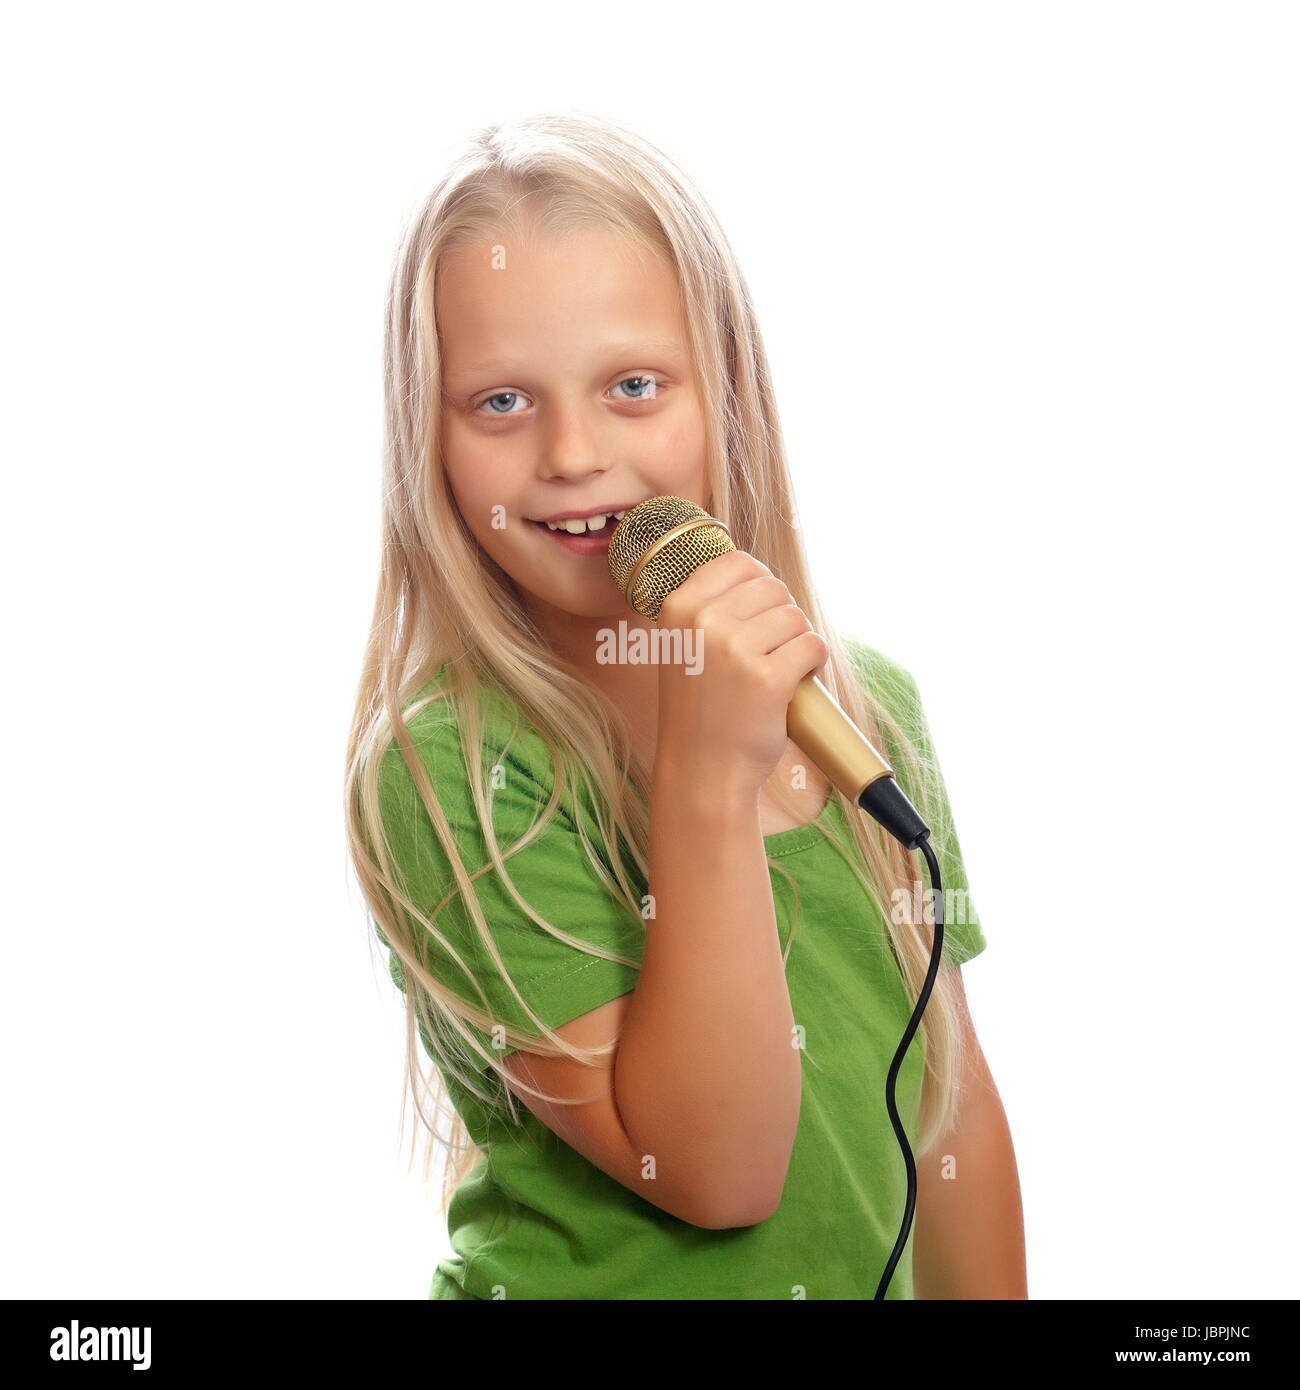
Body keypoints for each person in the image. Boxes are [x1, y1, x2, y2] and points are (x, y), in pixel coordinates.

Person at [344, 111, 1026, 1300]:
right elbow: (715, 1170)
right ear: (428, 441)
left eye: (634, 385)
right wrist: (708, 778)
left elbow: (948, 1124)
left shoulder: (870, 709)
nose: (571, 452)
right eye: (500, 402)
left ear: (728, 394)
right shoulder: (441, 768)